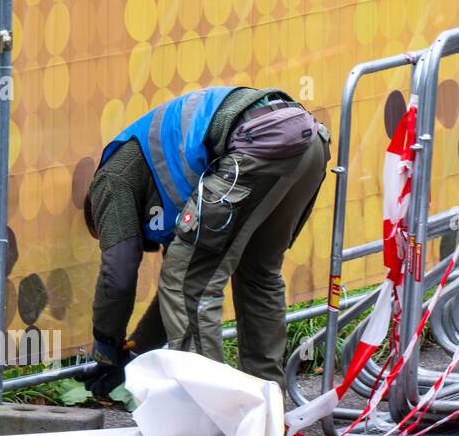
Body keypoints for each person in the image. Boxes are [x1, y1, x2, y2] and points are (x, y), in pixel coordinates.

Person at [81, 86, 330, 397]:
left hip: (256, 145)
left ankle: (208, 407)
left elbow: (118, 274)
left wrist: (107, 349)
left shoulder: (110, 180)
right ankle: (266, 402)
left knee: (189, 284)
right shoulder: (166, 183)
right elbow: (177, 287)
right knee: (257, 274)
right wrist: (135, 355)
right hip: (307, 141)